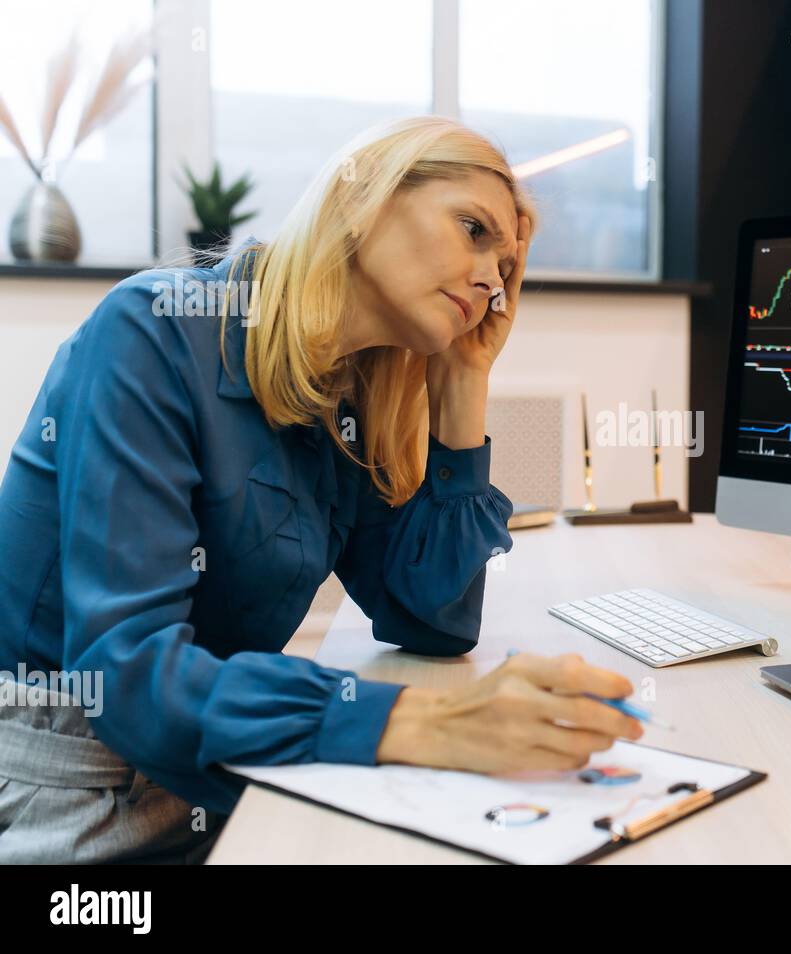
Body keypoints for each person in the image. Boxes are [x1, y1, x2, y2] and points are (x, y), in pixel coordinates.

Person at [0, 116, 642, 864]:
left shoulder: (339, 399)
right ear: (360, 197)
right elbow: (128, 677)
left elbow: (430, 618)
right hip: (71, 794)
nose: (494, 280)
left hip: (210, 771)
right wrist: (426, 723)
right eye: (474, 231)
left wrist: (465, 379)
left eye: (506, 266)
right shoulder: (152, 333)